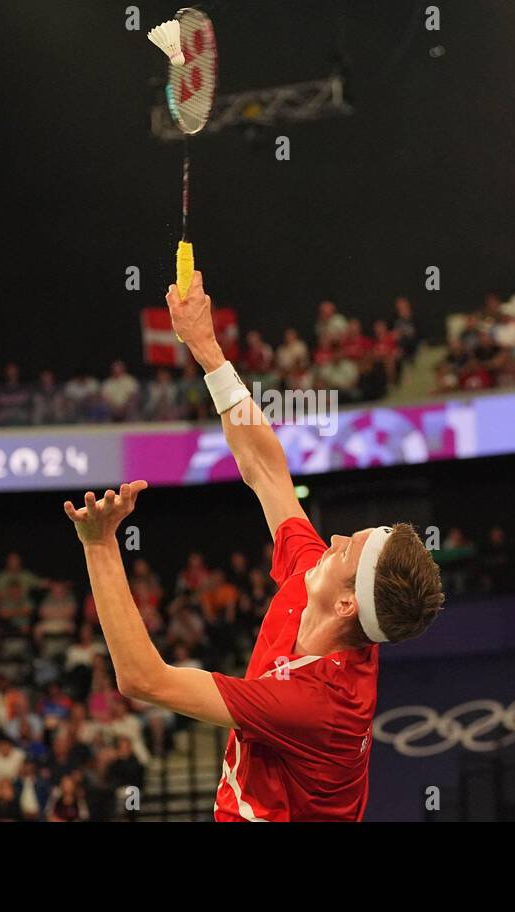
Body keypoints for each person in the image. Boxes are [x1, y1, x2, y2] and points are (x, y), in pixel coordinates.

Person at [61, 271, 446, 822]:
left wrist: (99, 546)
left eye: (345, 550)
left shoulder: (318, 704)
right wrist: (208, 349)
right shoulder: (317, 582)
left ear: (347, 605)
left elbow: (143, 678)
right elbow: (267, 469)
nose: (331, 540)